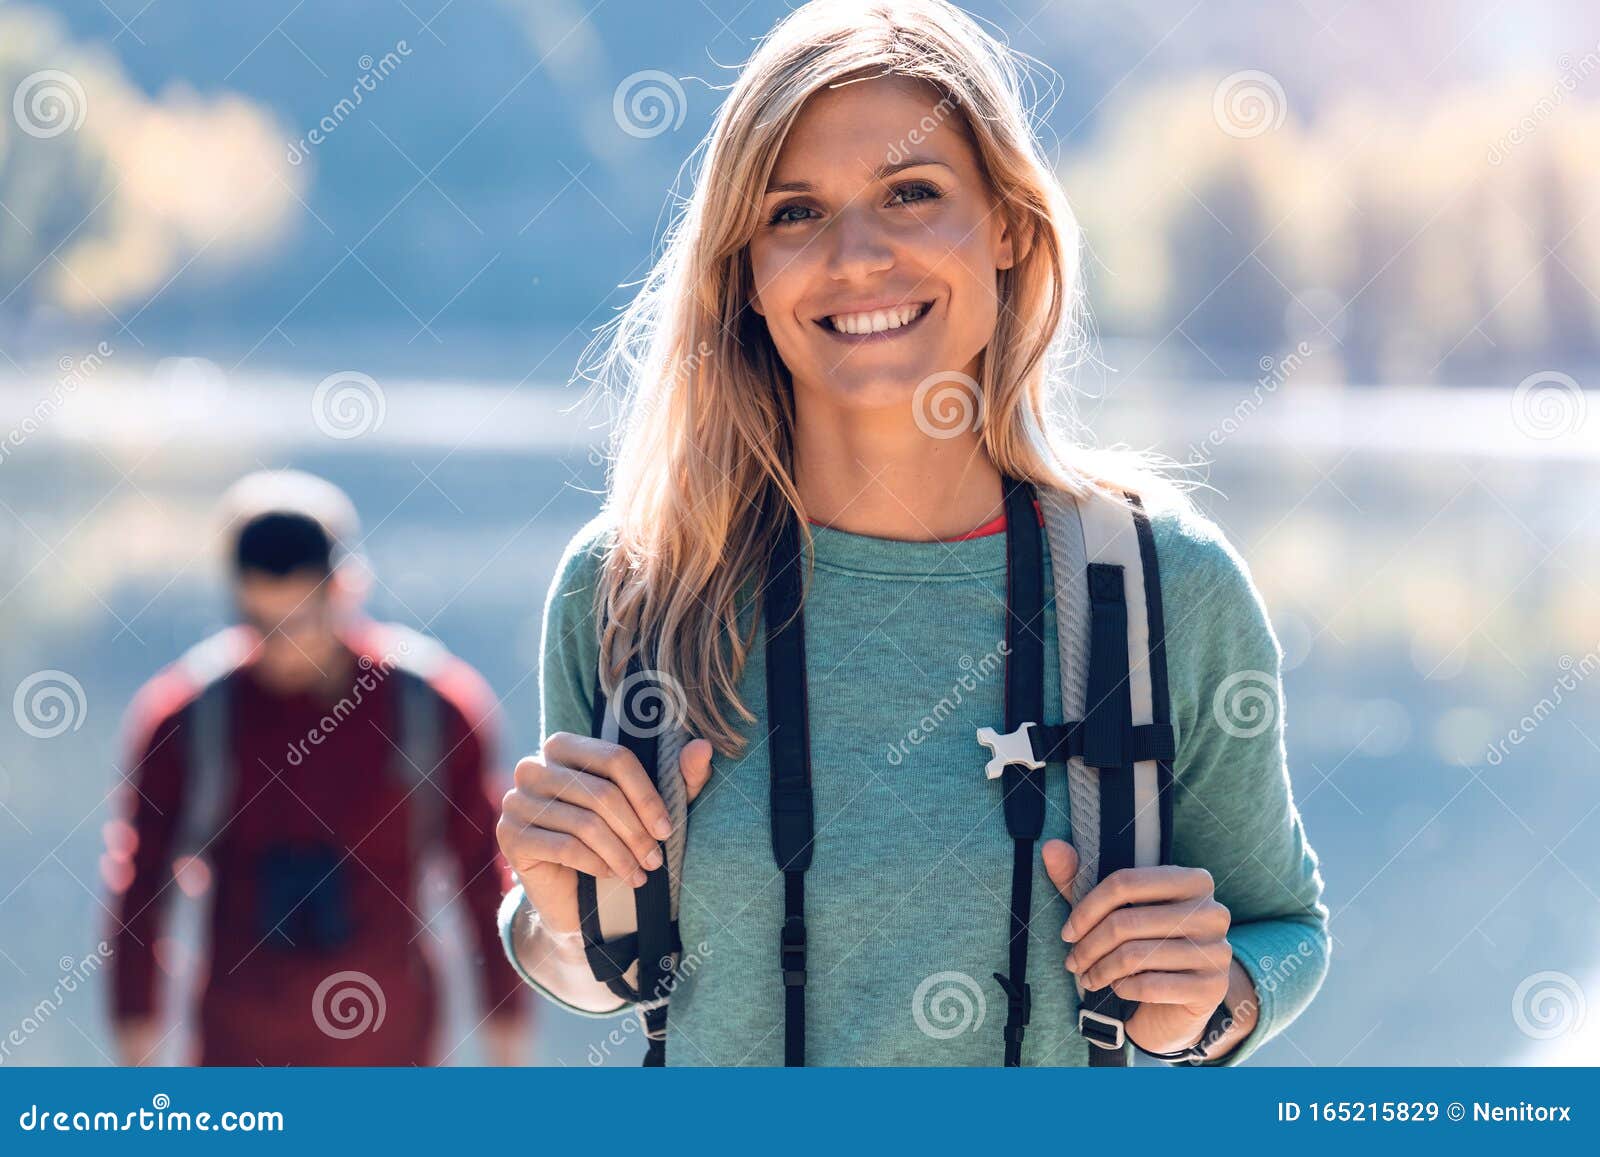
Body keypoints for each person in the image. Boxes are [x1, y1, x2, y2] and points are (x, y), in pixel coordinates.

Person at [497, 0, 1329, 1066]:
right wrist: (560, 913)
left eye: (911, 193)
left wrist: (1214, 998)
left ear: (1010, 228)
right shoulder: (637, 584)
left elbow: (1286, 931)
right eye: (794, 212)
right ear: (744, 271)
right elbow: (593, 972)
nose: (856, 256)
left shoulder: (1166, 584)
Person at [107, 469, 526, 1066]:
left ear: (345, 589)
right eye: (260, 624)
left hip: (392, 1058)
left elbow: (484, 881)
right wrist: (136, 1042)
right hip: (238, 1065)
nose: (281, 647)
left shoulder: (433, 711)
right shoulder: (188, 720)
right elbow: (140, 890)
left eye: (298, 623)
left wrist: (506, 1037)